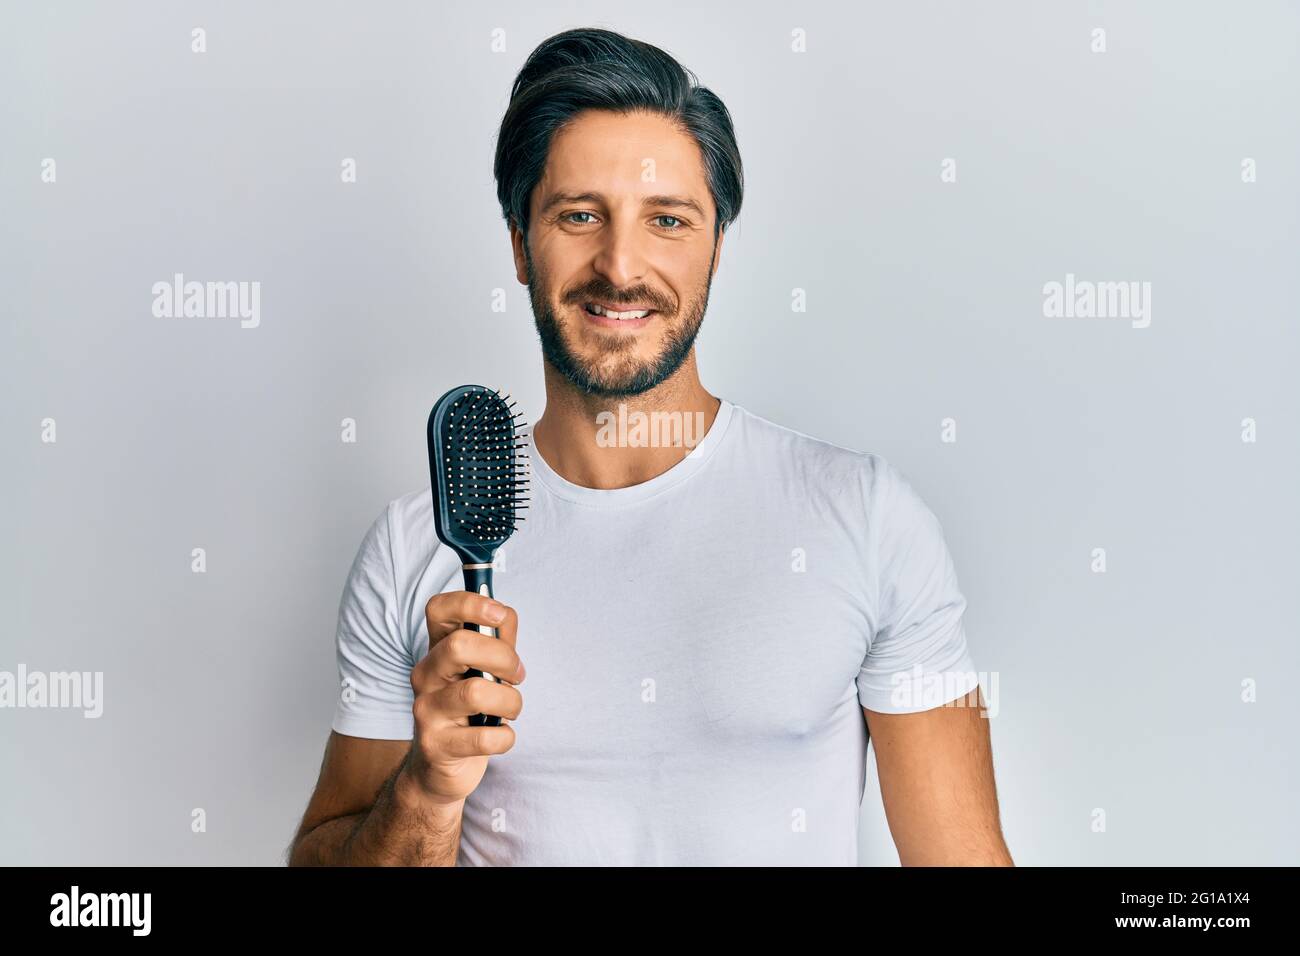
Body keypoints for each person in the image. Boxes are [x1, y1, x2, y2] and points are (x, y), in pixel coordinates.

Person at [289, 27, 1013, 866]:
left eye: (667, 219)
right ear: (521, 246)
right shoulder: (416, 552)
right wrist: (426, 787)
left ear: (715, 250)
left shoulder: (867, 518)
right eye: (579, 215)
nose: (621, 265)